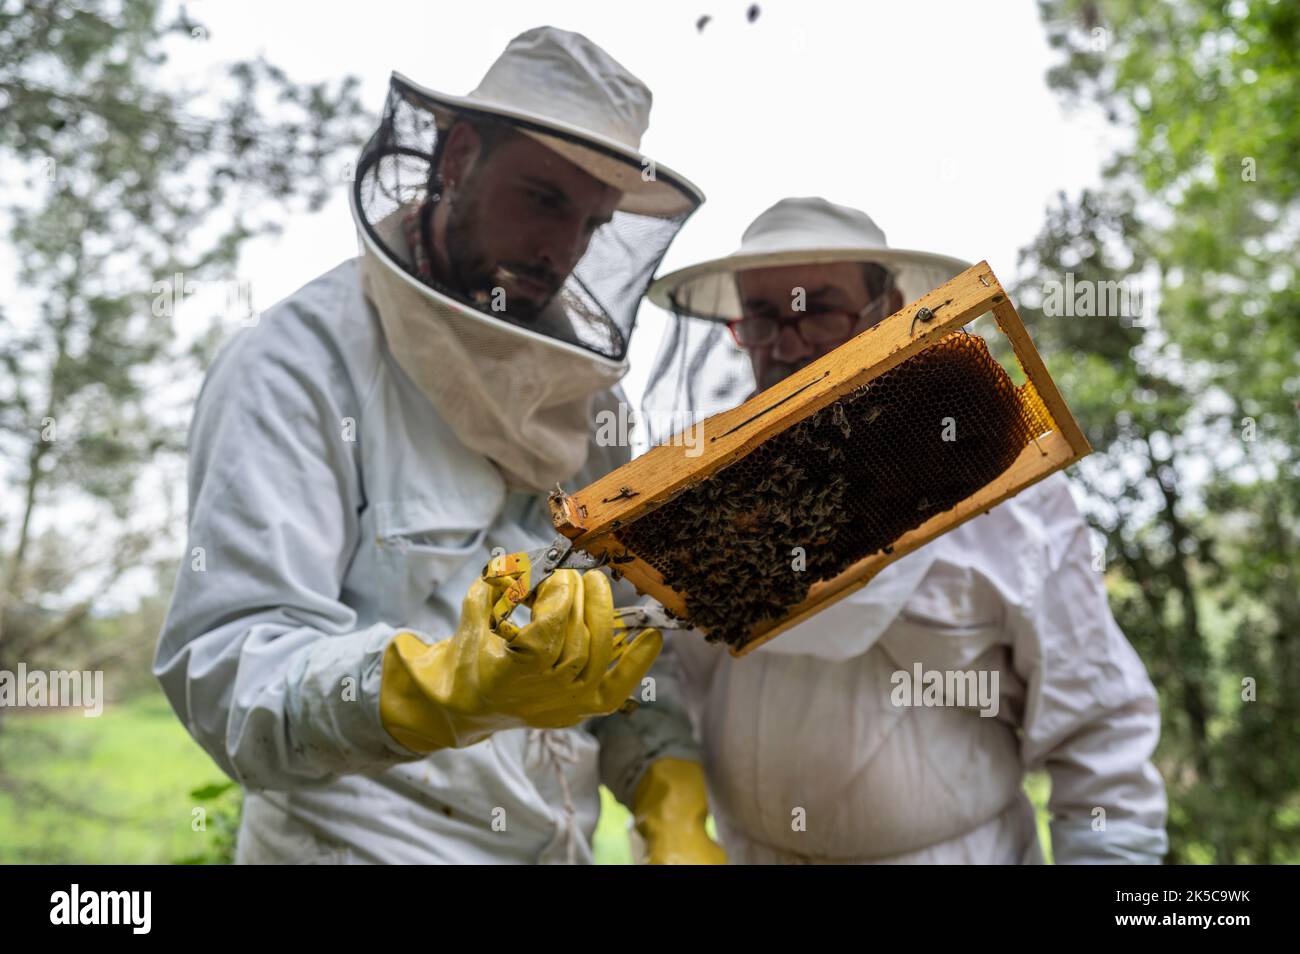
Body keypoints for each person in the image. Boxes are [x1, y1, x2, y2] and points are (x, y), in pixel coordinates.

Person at [155, 26, 708, 864]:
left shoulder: (592, 405)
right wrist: (437, 689)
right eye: (544, 198)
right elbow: (233, 673)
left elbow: (624, 639)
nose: (563, 249)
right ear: (455, 161)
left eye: (593, 225)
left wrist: (667, 788)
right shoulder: (299, 365)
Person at [597, 196, 1169, 864]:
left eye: (819, 309)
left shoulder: (1009, 495)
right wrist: (671, 810)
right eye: (761, 316)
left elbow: (1098, 733)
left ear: (890, 307)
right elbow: (653, 674)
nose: (788, 344)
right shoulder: (699, 503)